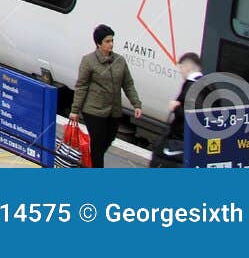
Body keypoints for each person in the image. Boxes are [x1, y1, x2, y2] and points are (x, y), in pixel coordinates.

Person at [69, 23, 142, 168]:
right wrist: (74, 110)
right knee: (98, 143)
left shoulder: (120, 61)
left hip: (114, 110)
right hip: (93, 110)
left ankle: (88, 163)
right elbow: (81, 86)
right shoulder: (88, 61)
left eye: (112, 40)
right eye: (107, 41)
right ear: (98, 43)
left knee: (109, 139)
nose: (111, 44)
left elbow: (128, 84)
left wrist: (136, 104)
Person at [150, 52, 203, 168]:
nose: (180, 72)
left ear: (188, 67)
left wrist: (176, 107)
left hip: (181, 140)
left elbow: (192, 113)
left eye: (181, 68)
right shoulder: (208, 85)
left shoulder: (191, 85)